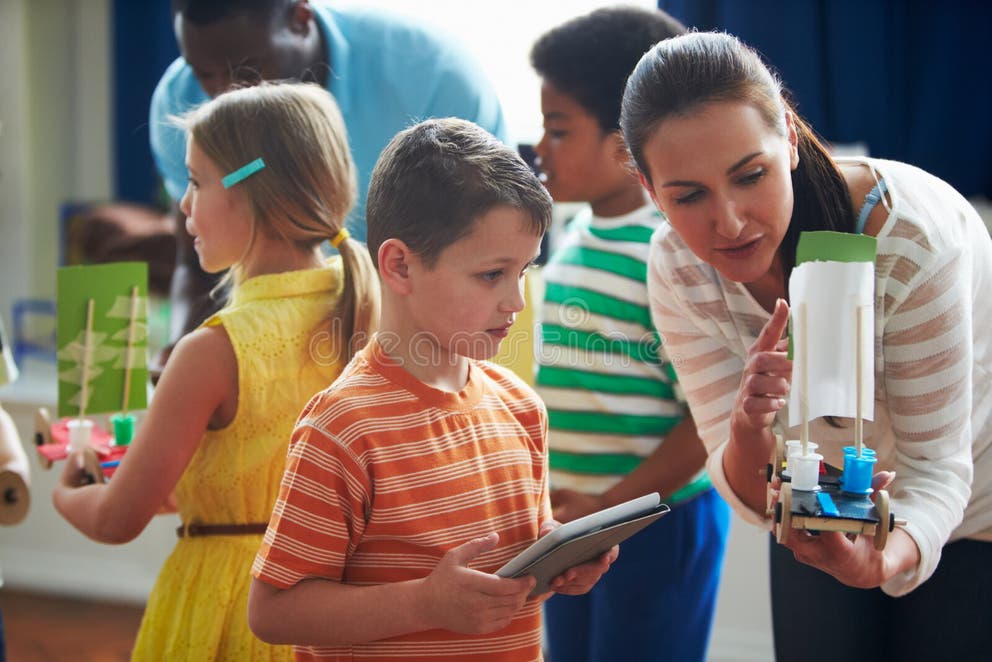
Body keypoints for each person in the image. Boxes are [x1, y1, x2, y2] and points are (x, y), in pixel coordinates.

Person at [621, 31, 992, 661]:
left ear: (790, 138)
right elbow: (745, 482)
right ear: (650, 191)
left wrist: (882, 559)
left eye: (750, 175)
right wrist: (745, 430)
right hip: (814, 505)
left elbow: (937, 471)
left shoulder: (912, 243)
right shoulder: (678, 268)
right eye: (688, 196)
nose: (730, 221)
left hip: (972, 503)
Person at [247, 118, 616, 661]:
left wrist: (558, 559)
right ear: (399, 265)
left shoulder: (521, 408)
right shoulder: (343, 427)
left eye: (524, 271)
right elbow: (274, 611)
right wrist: (423, 604)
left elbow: (511, 556)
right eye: (493, 274)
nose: (516, 300)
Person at [53, 82, 380, 661]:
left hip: (233, 612)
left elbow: (113, 519)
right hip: (339, 612)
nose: (182, 205)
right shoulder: (368, 309)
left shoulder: (212, 351)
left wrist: (69, 486)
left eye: (197, 182)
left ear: (250, 190)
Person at [529, 9, 729, 662]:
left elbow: (707, 418)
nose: (540, 148)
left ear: (624, 145)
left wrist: (610, 506)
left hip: (653, 526)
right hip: (579, 526)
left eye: (558, 130)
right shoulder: (575, 237)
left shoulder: (669, 254)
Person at [151, 0, 508, 342]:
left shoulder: (435, 79)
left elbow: (478, 259)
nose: (223, 94)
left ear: (300, 17)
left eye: (248, 70)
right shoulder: (178, 102)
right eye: (204, 74)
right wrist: (181, 352)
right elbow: (197, 260)